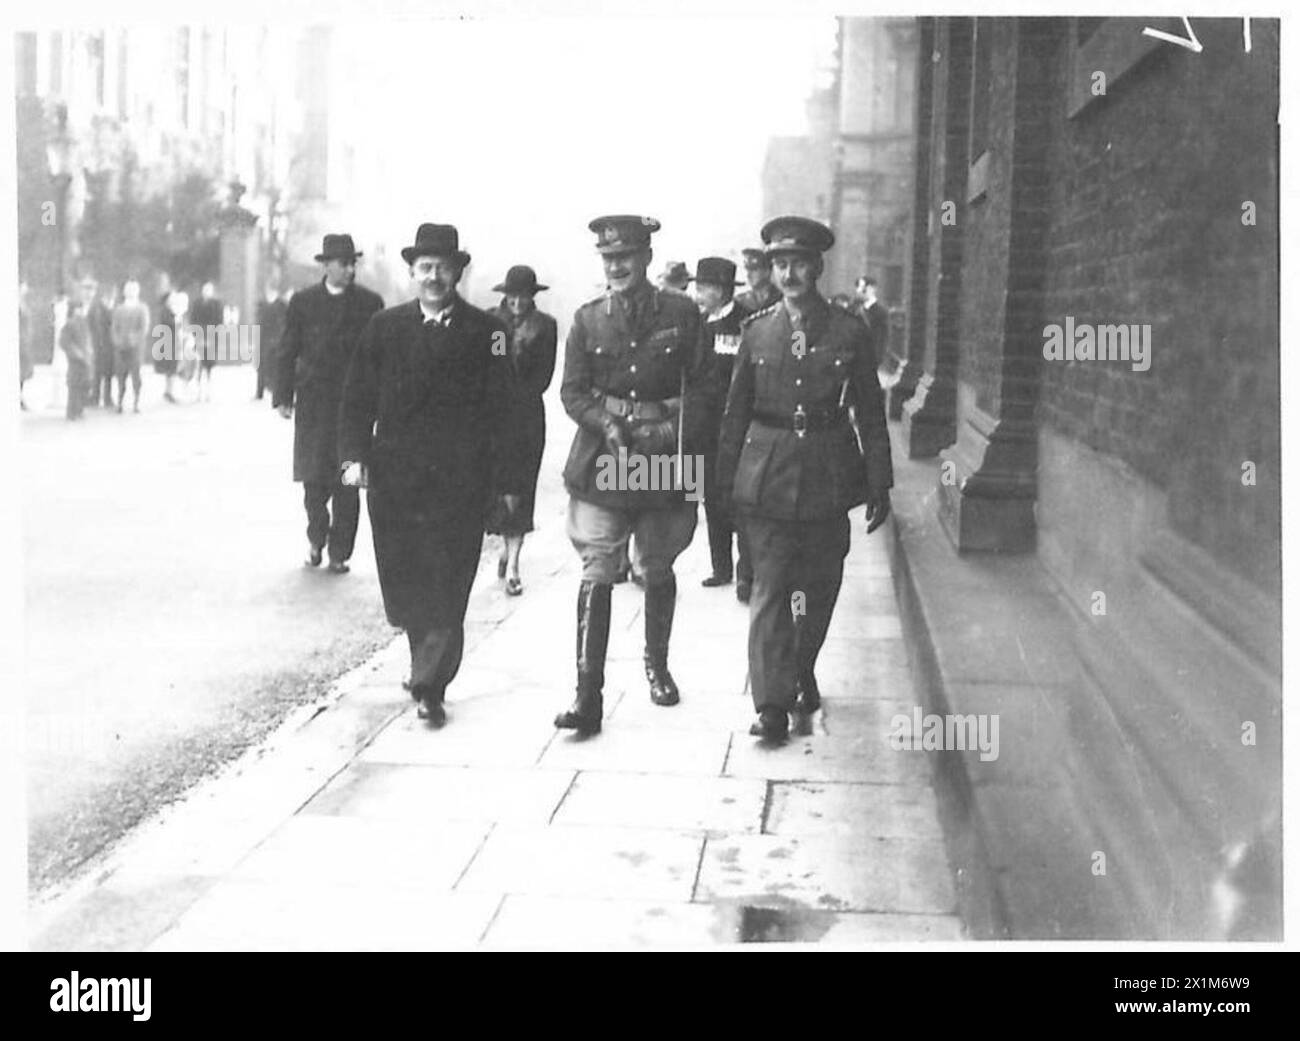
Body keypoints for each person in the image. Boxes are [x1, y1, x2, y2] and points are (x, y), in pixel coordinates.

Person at [339, 222, 524, 727]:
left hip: (461, 480)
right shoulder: (383, 328)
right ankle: (423, 657)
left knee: (448, 579)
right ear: (411, 272)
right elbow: (356, 396)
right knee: (403, 578)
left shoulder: (491, 335)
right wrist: (352, 459)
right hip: (394, 479)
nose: (434, 277)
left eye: (444, 268)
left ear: (459, 272)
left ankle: (430, 682)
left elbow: (507, 406)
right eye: (425, 268)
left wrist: (509, 482)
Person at [716, 216, 893, 743]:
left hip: (827, 471)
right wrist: (723, 488)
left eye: (798, 263)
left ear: (816, 267)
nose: (789, 273)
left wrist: (878, 482)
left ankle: (800, 668)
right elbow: (734, 415)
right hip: (766, 474)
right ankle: (770, 704)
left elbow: (870, 409)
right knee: (769, 589)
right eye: (780, 264)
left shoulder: (848, 332)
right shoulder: (757, 331)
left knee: (820, 586)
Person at [552, 214, 711, 736]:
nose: (616, 266)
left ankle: (657, 665)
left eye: (625, 256)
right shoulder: (587, 319)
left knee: (659, 564)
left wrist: (668, 434)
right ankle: (586, 692)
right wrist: (606, 422)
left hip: (666, 453)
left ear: (646, 257)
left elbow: (708, 392)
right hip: (606, 456)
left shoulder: (684, 314)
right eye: (608, 258)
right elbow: (572, 392)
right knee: (597, 565)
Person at [275, 234, 384, 573]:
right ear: (326, 266)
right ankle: (316, 538)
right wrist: (282, 396)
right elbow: (287, 348)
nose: (350, 269)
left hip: (355, 408)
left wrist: (381, 400)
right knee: (314, 481)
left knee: (349, 481)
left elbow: (379, 357)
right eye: (344, 263)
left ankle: (339, 553)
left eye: (353, 263)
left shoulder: (370, 304)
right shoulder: (303, 302)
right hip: (314, 406)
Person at [485, 265, 557, 596]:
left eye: (523, 297)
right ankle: (503, 544)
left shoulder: (545, 327)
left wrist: (515, 394)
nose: (517, 303)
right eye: (512, 297)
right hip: (494, 418)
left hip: (526, 418)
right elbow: (490, 366)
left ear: (532, 297)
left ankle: (514, 562)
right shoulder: (492, 324)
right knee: (497, 487)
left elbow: (542, 377)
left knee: (521, 488)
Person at [692, 256, 754, 600]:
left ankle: (747, 572)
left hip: (738, 426)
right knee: (712, 497)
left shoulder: (745, 321)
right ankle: (721, 567)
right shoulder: (698, 323)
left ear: (721, 289)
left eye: (703, 287)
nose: (698, 293)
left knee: (740, 500)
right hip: (706, 428)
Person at [110, 279, 150, 413]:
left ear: (138, 291)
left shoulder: (142, 308)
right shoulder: (119, 309)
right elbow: (114, 328)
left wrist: (134, 340)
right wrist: (117, 341)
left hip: (135, 349)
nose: (130, 292)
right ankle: (120, 402)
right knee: (121, 376)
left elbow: (144, 328)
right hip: (120, 348)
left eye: (133, 289)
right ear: (124, 291)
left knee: (136, 376)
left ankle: (136, 402)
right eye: (128, 289)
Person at [60, 279, 96, 421]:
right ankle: (72, 412)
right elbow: (64, 341)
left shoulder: (84, 322)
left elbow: (88, 339)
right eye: (78, 309)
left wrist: (89, 352)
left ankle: (80, 410)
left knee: (84, 385)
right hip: (76, 361)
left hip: (86, 359)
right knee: (74, 387)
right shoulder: (70, 324)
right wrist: (76, 353)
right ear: (74, 310)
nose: (81, 311)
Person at [190, 281, 224, 402]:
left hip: (211, 335)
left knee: (209, 364)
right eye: (205, 290)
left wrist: (214, 333)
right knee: (198, 363)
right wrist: (195, 333)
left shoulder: (216, 304)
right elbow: (192, 319)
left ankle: (208, 390)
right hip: (199, 334)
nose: (206, 292)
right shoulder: (197, 303)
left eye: (209, 290)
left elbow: (219, 320)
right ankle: (198, 391)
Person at [255, 283, 288, 401]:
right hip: (264, 337)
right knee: (262, 364)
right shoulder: (262, 303)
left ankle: (275, 391)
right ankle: (260, 391)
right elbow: (258, 319)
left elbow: (285, 320)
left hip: (277, 337)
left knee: (275, 365)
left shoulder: (282, 304)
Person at [86, 279, 115, 407]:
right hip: (100, 345)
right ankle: (96, 397)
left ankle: (106, 397)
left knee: (108, 373)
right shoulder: (97, 309)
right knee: (98, 373)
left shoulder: (111, 308)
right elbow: (96, 328)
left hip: (109, 345)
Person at [854, 275, 890, 369]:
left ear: (871, 289)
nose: (858, 291)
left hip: (870, 361)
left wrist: (876, 359)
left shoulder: (881, 312)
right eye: (857, 287)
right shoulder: (854, 309)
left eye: (862, 288)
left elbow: (882, 339)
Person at [156, 277, 182, 402]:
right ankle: (169, 391)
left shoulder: (169, 310)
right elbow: (169, 324)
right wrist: (176, 320)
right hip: (168, 342)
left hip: (171, 341)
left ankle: (168, 390)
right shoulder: (165, 311)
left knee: (171, 368)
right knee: (171, 368)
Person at [736, 247, 780, 313]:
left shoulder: (781, 297)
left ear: (767, 271)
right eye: (747, 269)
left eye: (754, 270)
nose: (748, 275)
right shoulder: (740, 302)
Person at [18, 280, 33, 410]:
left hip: (24, 341)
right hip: (18, 342)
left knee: (23, 372)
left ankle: (20, 397)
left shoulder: (23, 304)